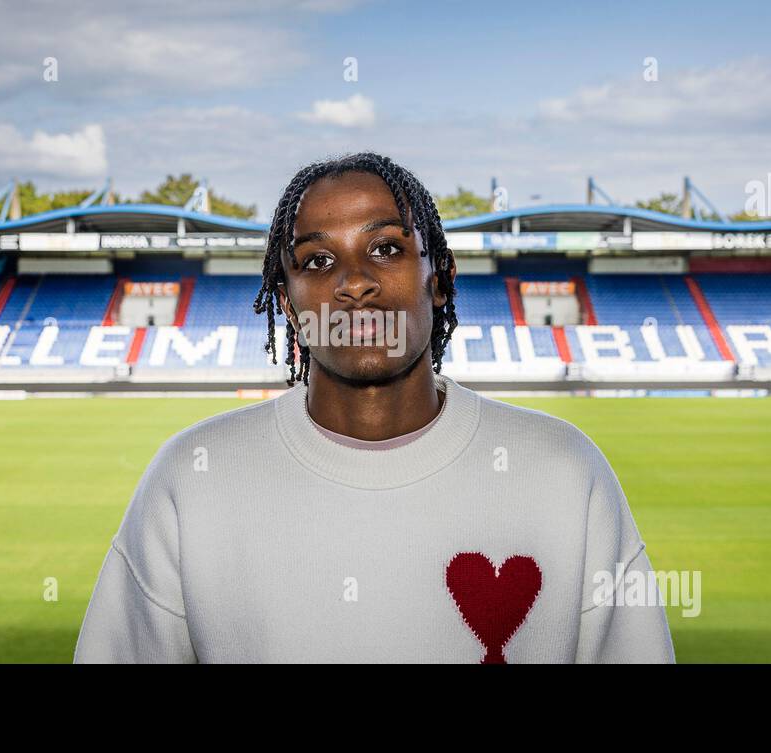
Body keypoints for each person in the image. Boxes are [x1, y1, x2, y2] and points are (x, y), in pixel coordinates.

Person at [74, 152, 674, 663]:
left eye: (385, 248)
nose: (353, 281)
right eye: (317, 259)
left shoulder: (565, 470)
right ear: (285, 300)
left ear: (438, 279)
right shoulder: (191, 475)